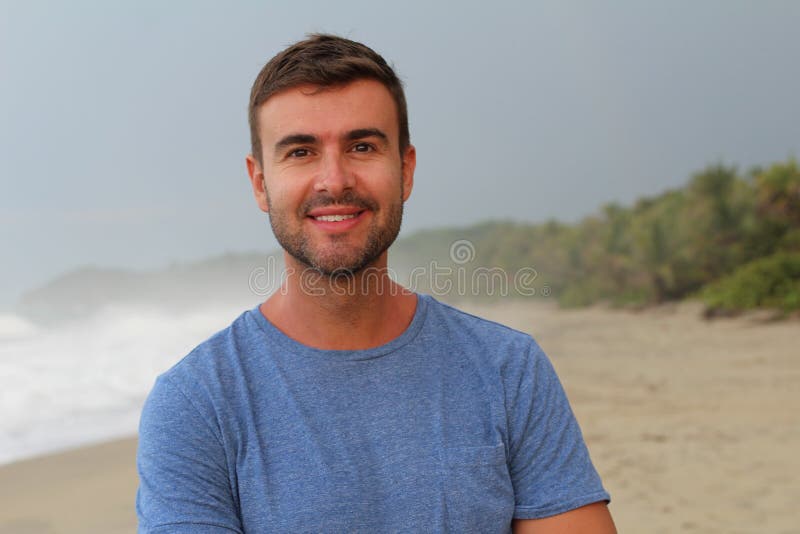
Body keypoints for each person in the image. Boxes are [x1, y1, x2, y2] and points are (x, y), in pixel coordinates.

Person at [136, 34, 616, 533]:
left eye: (362, 146)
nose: (334, 180)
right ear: (260, 182)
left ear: (405, 171)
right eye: (300, 152)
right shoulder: (196, 404)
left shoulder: (506, 370)